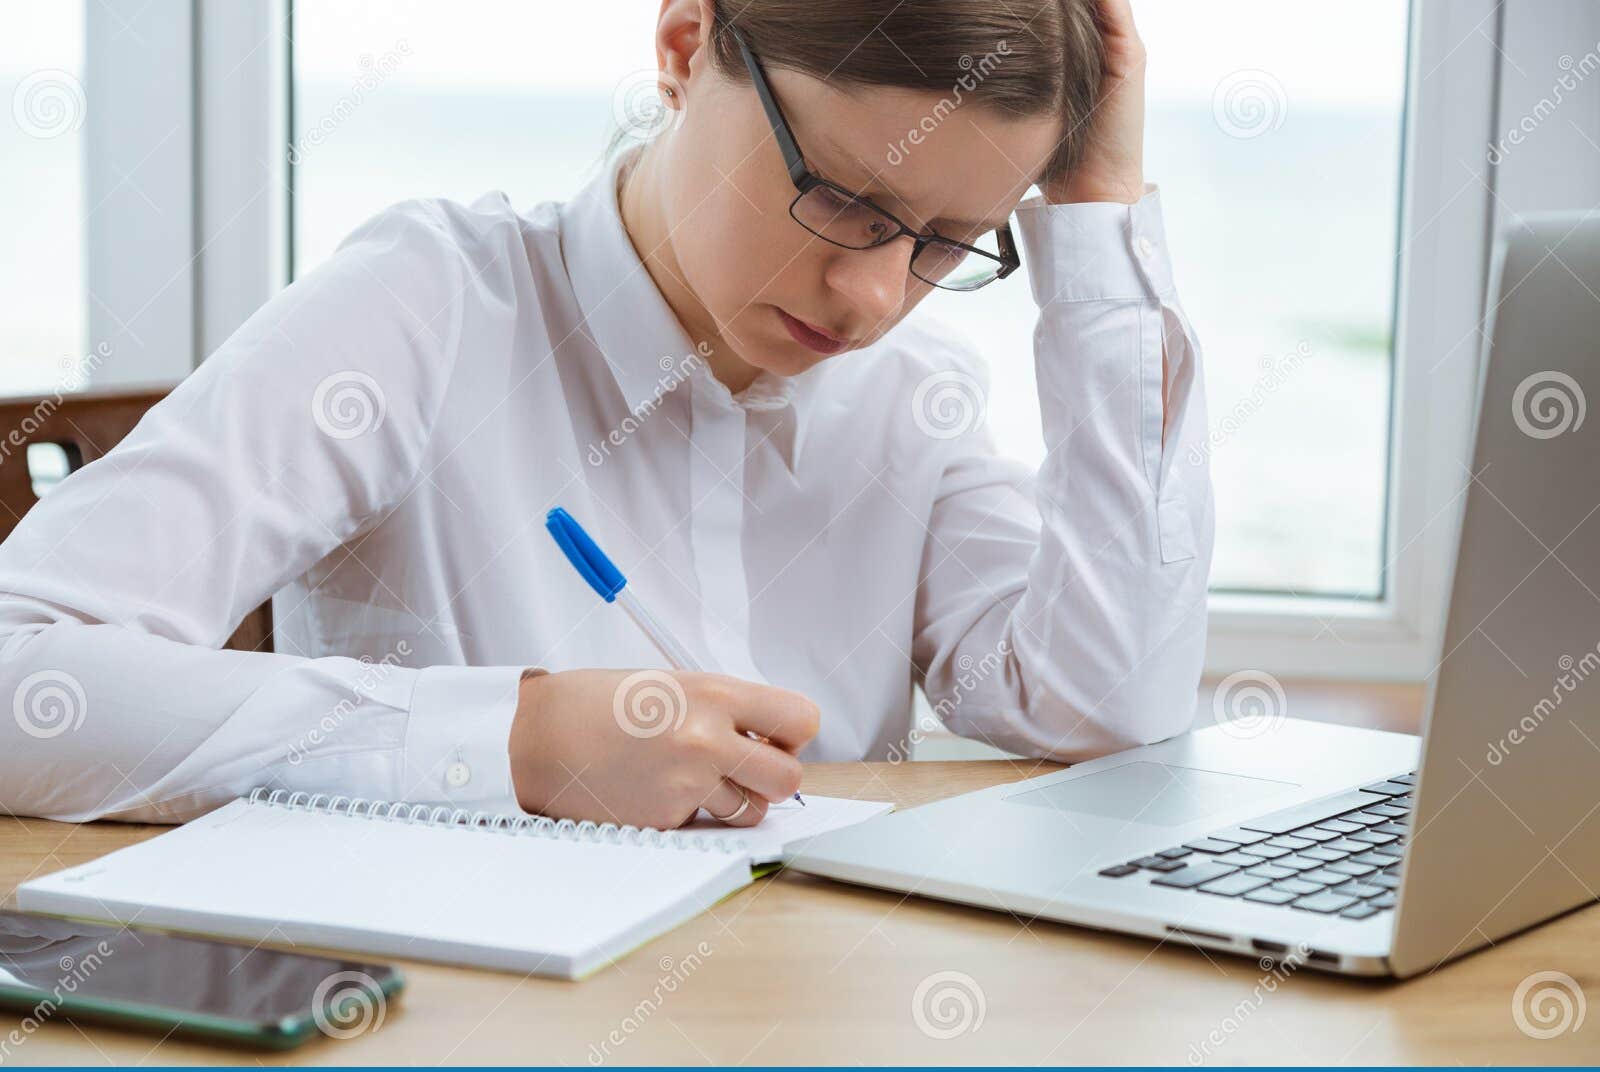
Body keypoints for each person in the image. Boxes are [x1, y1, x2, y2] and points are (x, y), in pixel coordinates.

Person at [0, 0, 1211, 832]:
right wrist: (511, 740)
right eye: (842, 199)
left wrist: (1097, 212)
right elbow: (20, 677)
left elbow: (1106, 704)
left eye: (947, 243)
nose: (873, 295)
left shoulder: (914, 399)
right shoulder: (429, 306)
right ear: (687, 42)